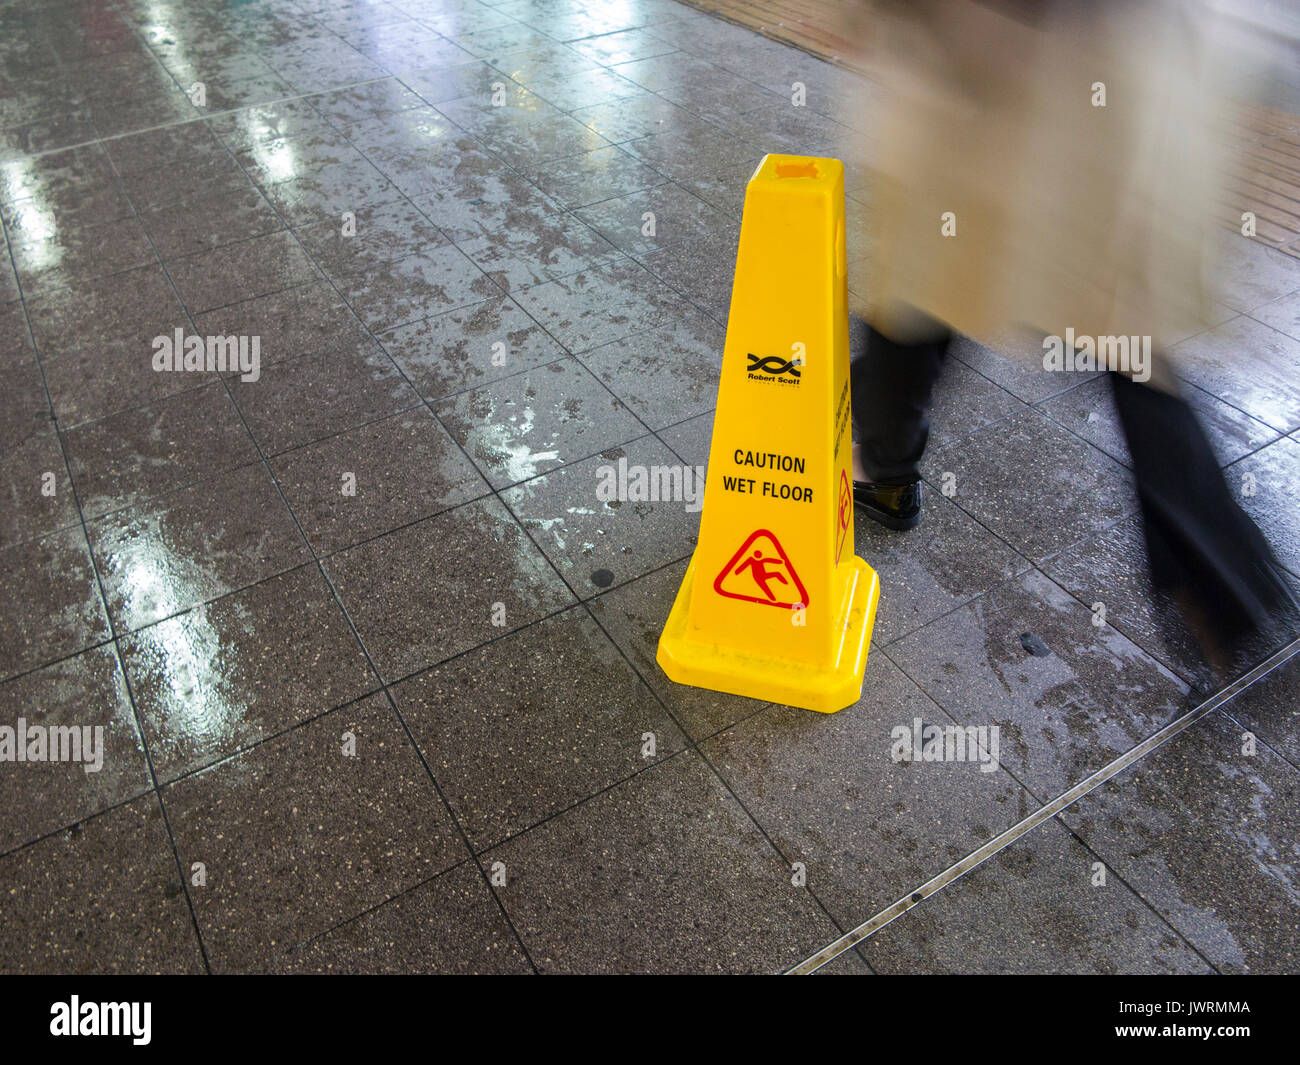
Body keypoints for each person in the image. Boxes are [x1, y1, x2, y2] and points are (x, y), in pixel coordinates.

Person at [844, 0, 1298, 662]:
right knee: (1120, 334)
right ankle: (1226, 582)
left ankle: (883, 464)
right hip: (1099, 87)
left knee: (924, 276)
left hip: (1001, 78)